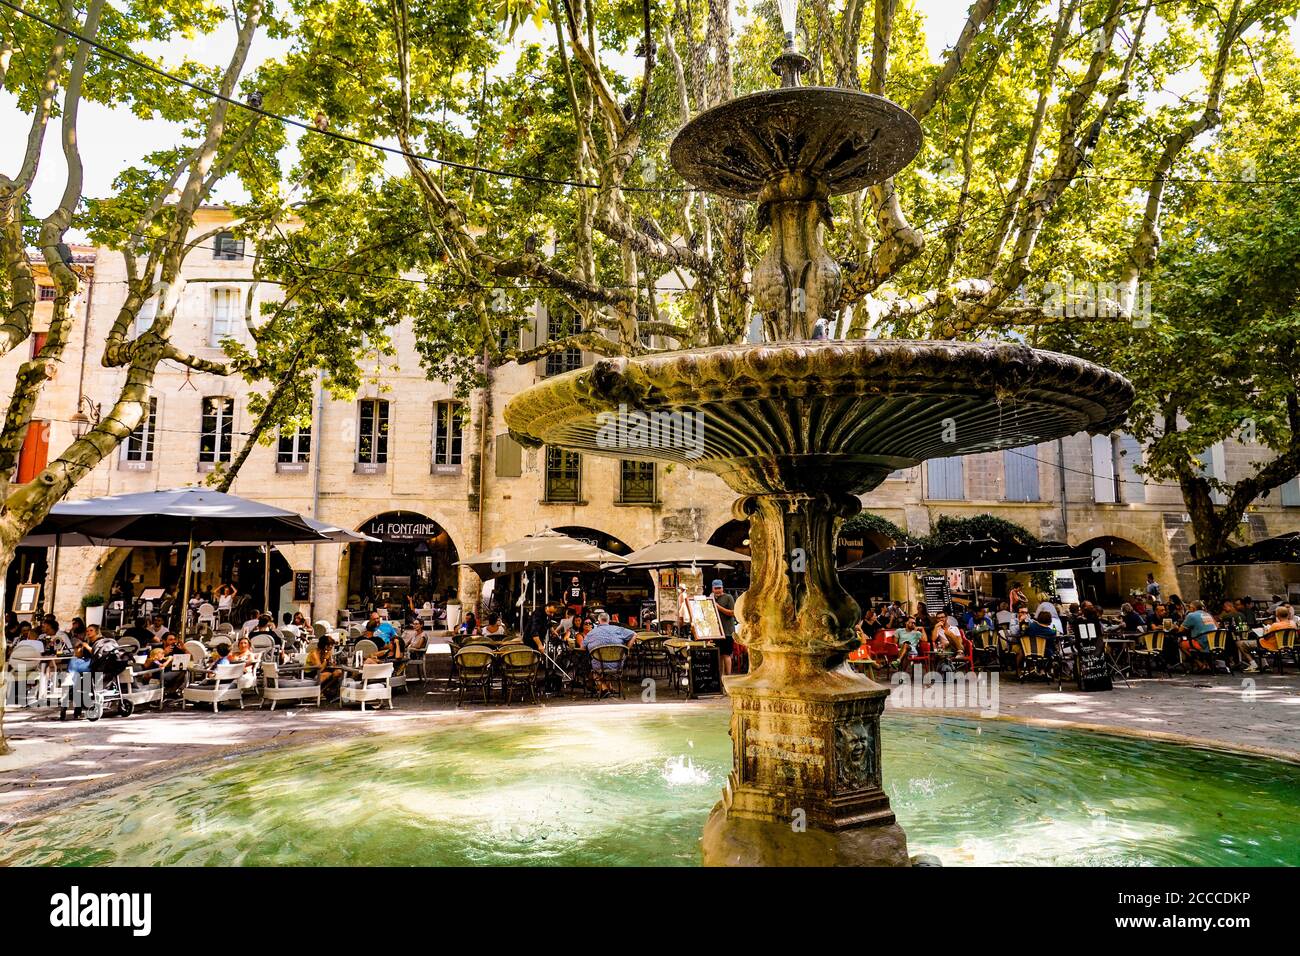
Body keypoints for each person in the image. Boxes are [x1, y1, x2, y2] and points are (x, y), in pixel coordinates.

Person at [583, 612, 636, 698]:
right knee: (600, 665)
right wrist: (627, 649)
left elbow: (582, 647)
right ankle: (608, 687)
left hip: (600, 665)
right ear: (609, 620)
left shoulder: (592, 632)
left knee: (593, 670)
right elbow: (634, 634)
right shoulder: (618, 629)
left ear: (598, 621)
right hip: (617, 665)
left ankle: (604, 689)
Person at [1179, 600, 1217, 668]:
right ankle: (1206, 663)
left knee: (1181, 644)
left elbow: (1180, 630)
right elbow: (1217, 627)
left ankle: (1199, 664)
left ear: (1193, 608)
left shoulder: (1191, 615)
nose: (1189, 609)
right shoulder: (1208, 614)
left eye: (1190, 608)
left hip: (1201, 644)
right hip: (1213, 643)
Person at [709, 580, 737, 675]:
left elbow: (732, 613)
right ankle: (720, 678)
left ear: (722, 588)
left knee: (726, 655)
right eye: (716, 588)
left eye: (719, 588)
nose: (718, 590)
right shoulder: (711, 598)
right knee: (718, 655)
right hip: (717, 632)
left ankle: (728, 677)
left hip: (727, 632)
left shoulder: (728, 597)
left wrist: (717, 606)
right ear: (712, 589)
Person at [307, 635, 344, 701]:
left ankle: (329, 693)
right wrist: (325, 659)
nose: (331, 647)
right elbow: (319, 669)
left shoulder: (325, 652)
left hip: (322, 671)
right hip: (311, 673)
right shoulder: (314, 654)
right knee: (328, 674)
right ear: (324, 645)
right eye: (329, 645)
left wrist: (331, 662)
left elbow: (331, 664)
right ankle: (317, 693)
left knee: (339, 672)